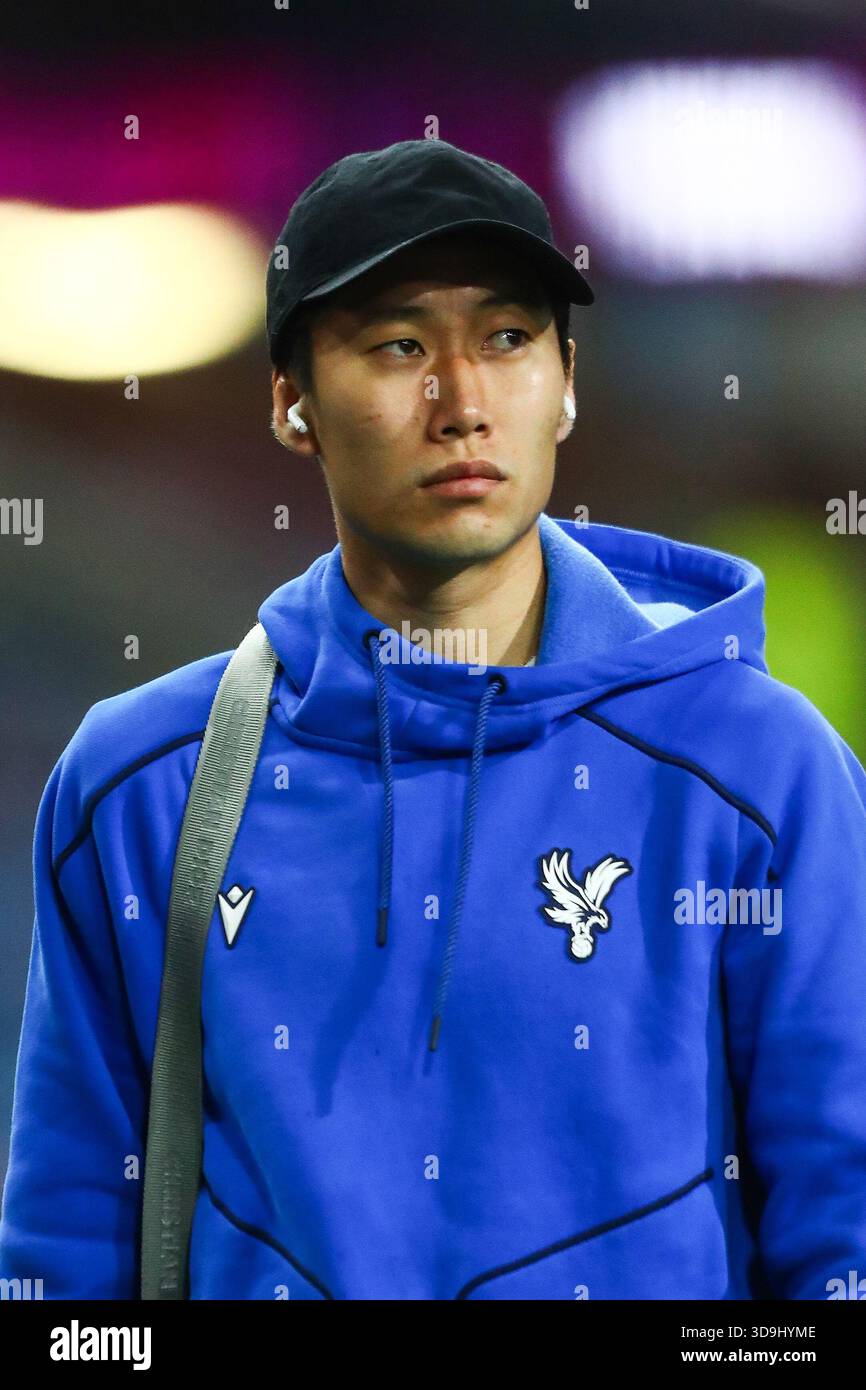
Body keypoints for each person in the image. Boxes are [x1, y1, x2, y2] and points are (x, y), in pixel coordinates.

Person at [2, 138, 865, 1302]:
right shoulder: (142, 780)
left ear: (565, 382)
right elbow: (66, 1262)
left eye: (507, 339)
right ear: (291, 404)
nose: (460, 402)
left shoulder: (762, 772)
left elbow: (841, 1234)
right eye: (398, 344)